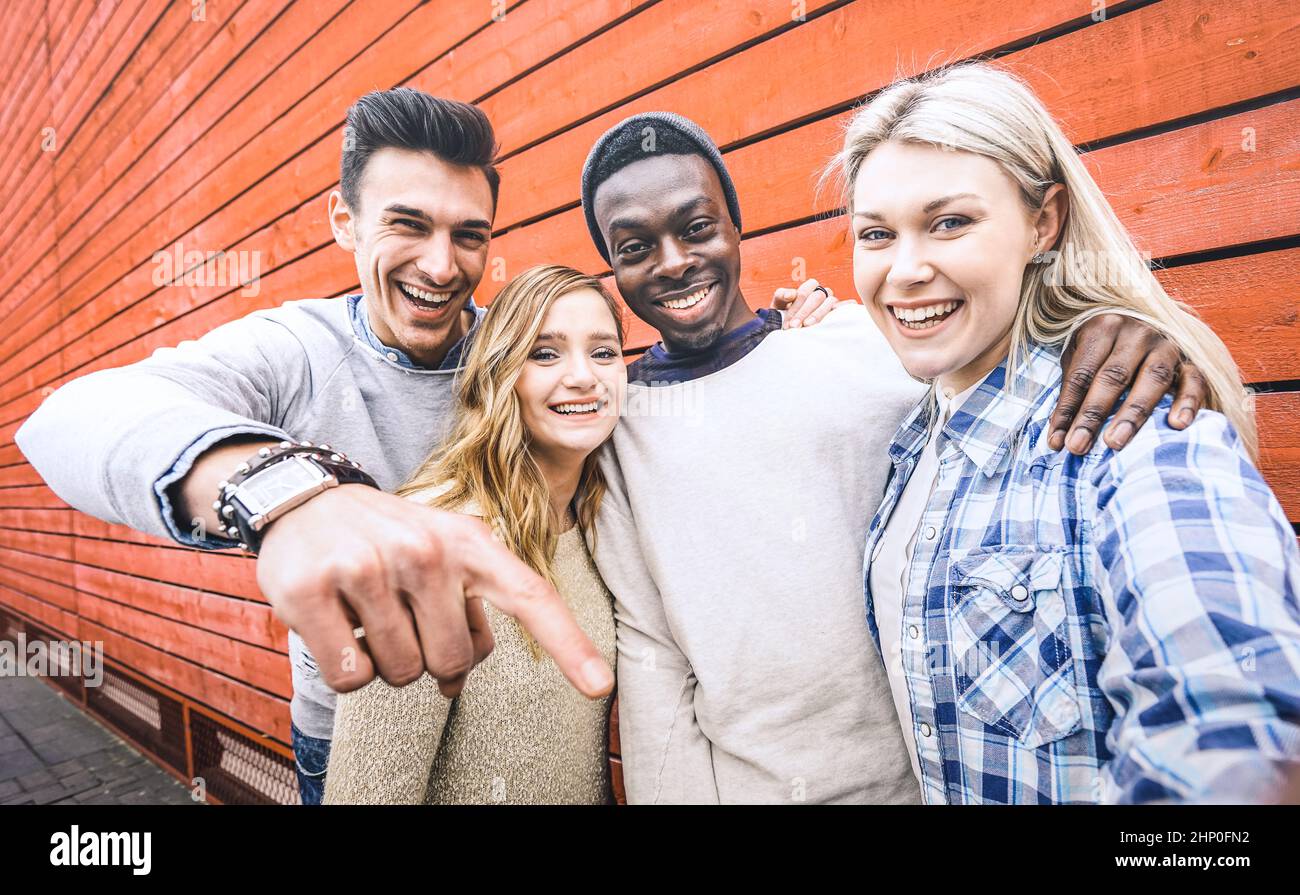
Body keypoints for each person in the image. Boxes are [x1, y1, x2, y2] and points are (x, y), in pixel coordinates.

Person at [579, 111, 1210, 803]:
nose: (673, 261)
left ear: (735, 225)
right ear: (613, 266)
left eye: (697, 227)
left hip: (935, 781)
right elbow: (653, 657)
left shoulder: (865, 343)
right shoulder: (620, 428)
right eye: (635, 246)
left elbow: (991, 363)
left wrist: (1108, 330)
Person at [14, 89, 614, 804]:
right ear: (343, 222)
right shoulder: (296, 350)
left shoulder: (516, 349)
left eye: (469, 235)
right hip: (354, 731)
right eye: (407, 224)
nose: (441, 265)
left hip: (508, 721)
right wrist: (283, 490)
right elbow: (64, 420)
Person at [832, 62, 1300, 803]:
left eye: (950, 222)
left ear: (1043, 223)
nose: (907, 269)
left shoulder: (1137, 435)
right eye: (876, 234)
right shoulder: (915, 436)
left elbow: (1239, 741)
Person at [324, 266, 624, 804]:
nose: (584, 376)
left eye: (603, 352)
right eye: (545, 353)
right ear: (499, 373)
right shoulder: (432, 544)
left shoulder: (601, 520)